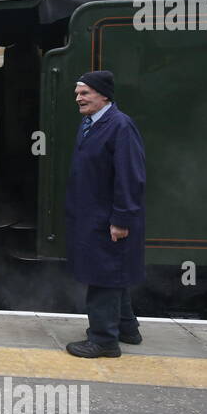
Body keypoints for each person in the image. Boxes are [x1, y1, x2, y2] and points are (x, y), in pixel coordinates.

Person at [64, 70, 146, 358]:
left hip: (106, 217)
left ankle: (103, 340)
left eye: (85, 92)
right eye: (77, 93)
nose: (78, 98)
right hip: (91, 214)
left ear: (104, 95)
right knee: (113, 272)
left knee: (103, 276)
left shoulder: (120, 127)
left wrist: (122, 219)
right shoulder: (90, 124)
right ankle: (127, 328)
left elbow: (130, 177)